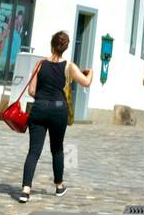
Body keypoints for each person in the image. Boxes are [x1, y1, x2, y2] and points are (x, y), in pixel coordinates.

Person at [18, 30, 92, 204]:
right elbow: (86, 82)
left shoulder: (39, 64)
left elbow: (31, 91)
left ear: (52, 45)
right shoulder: (69, 66)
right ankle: (59, 186)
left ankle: (25, 190)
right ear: (65, 48)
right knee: (57, 149)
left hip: (39, 109)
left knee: (34, 151)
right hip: (59, 111)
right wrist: (91, 72)